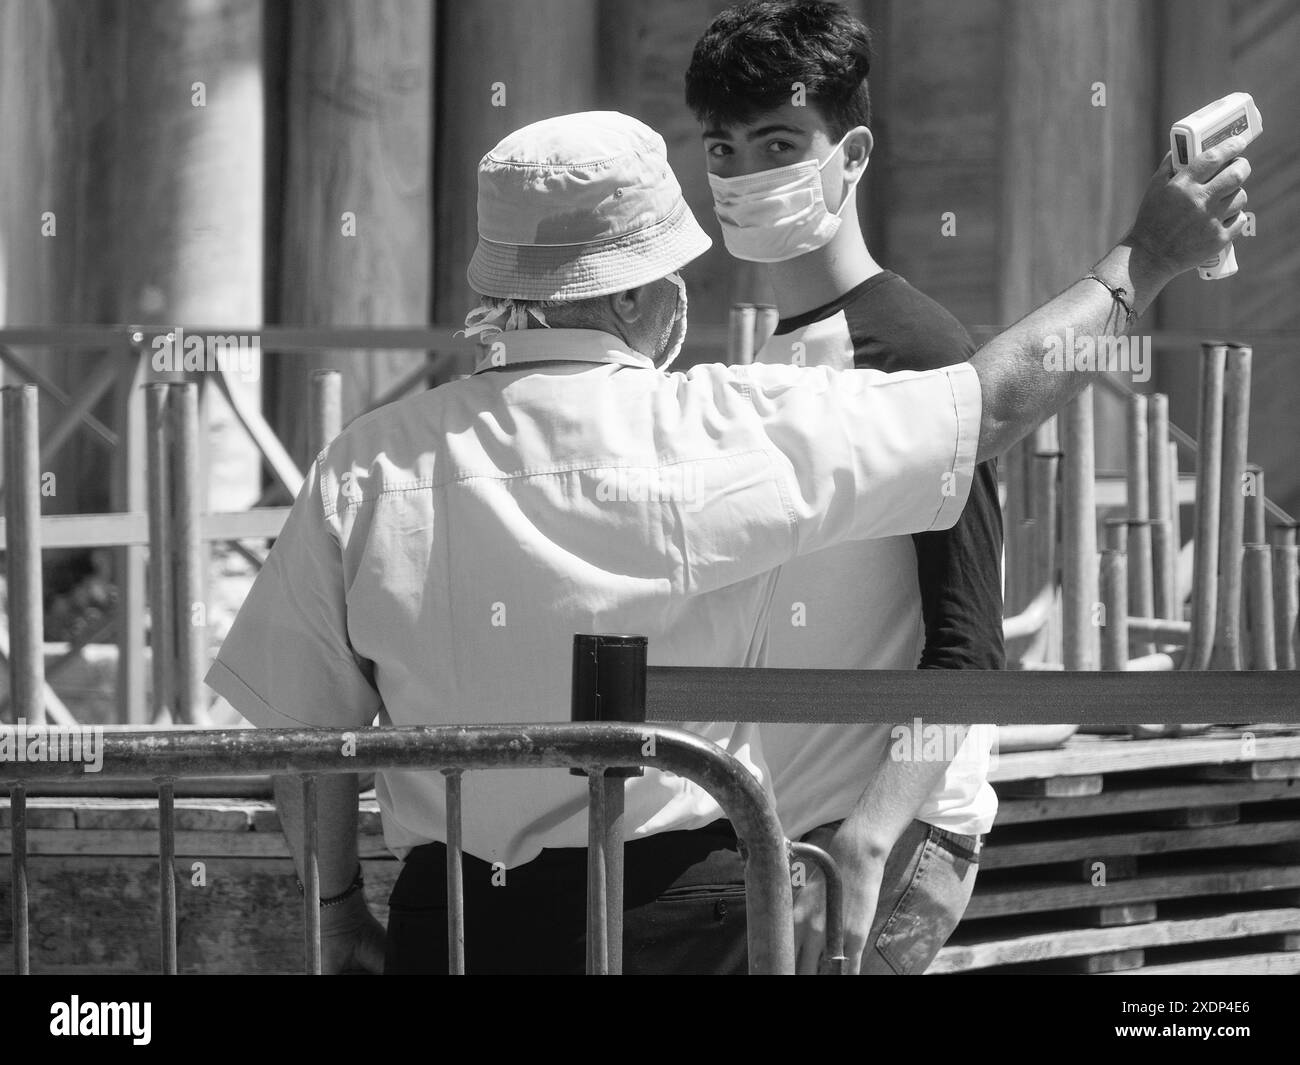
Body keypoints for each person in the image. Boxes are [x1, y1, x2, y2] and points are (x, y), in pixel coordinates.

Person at [205, 108, 1250, 974]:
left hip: (458, 928)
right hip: (677, 917)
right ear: (632, 296)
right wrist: (1141, 261)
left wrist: (336, 911)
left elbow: (300, 743)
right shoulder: (714, 423)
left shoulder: (363, 463)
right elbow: (997, 403)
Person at [685, 0, 1001, 974]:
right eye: (722, 148)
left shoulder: (916, 354)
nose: (744, 176)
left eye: (779, 142)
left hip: (880, 843)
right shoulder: (773, 354)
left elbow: (972, 646)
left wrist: (867, 841)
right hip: (791, 839)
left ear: (851, 153)